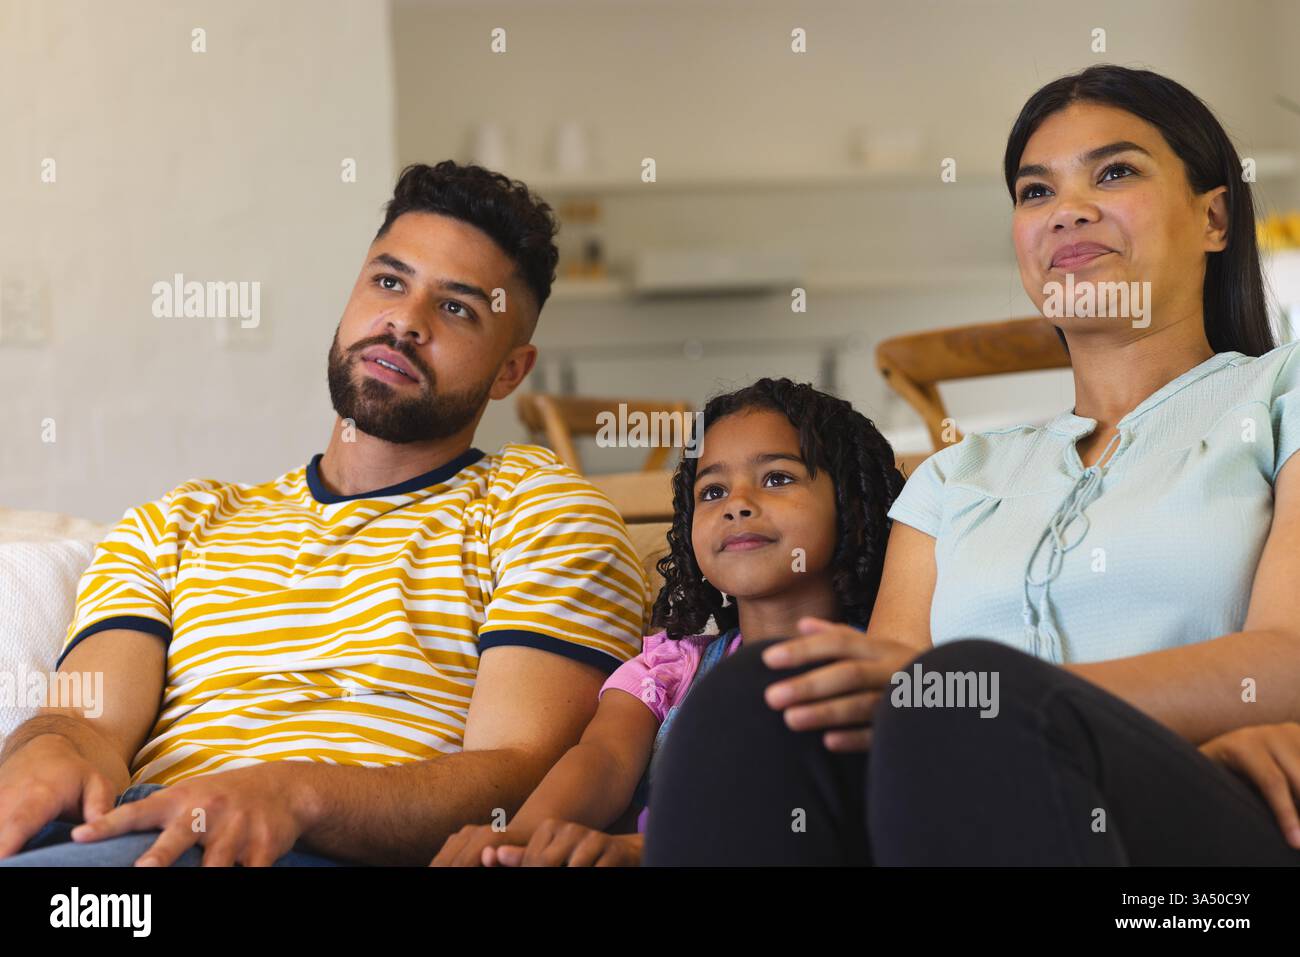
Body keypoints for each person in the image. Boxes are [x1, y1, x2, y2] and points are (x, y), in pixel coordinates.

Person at [643, 65, 1300, 866]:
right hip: (960, 812)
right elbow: (873, 695)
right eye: (1035, 192)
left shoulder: (1279, 395)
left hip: (1207, 823)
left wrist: (1009, 699)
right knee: (761, 699)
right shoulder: (956, 479)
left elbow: (1286, 658)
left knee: (958, 696)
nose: (1069, 211)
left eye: (1115, 172)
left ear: (1215, 217)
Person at [0, 161, 649, 867]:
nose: (405, 320)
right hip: (136, 832)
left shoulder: (543, 510)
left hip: (329, 850)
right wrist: (49, 752)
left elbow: (521, 775)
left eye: (457, 308)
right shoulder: (177, 521)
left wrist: (294, 795)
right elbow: (82, 719)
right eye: (389, 280)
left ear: (509, 372)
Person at [431, 378, 905, 866]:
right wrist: (522, 838)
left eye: (778, 478)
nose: (737, 504)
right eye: (713, 490)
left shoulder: (879, 667)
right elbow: (605, 759)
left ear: (853, 507)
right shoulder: (669, 665)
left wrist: (645, 852)